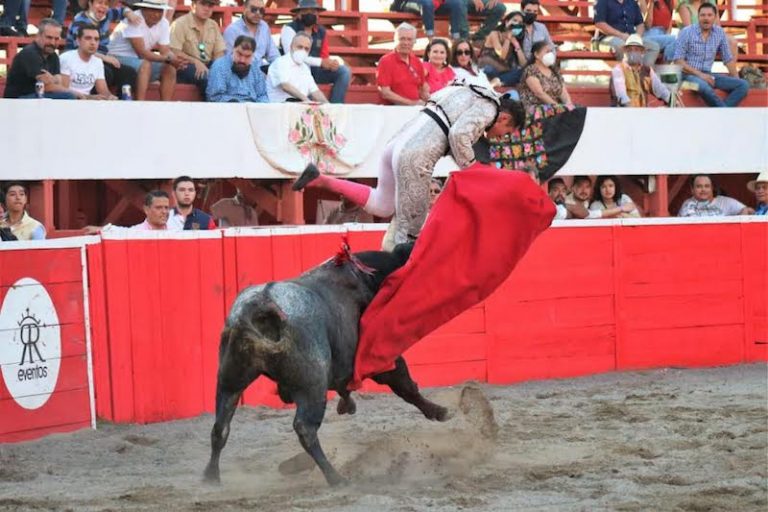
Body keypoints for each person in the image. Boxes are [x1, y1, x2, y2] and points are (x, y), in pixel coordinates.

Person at [293, 86, 523, 245]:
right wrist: (473, 171)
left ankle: (321, 179)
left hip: (397, 143)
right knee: (410, 230)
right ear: (504, 119)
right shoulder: (489, 107)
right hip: (415, 155)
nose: (500, 137)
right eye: (506, 133)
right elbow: (458, 134)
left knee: (382, 206)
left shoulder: (466, 89)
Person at [673, 2, 748, 107]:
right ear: (698, 17)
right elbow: (678, 61)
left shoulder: (719, 33)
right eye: (703, 15)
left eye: (709, 15)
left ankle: (720, 113)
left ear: (715, 17)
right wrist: (701, 75)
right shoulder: (686, 32)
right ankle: (722, 115)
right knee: (702, 86)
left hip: (708, 75)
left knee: (743, 85)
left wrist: (736, 77)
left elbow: (728, 59)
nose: (706, 18)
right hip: (686, 79)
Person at [108, 0, 186, 101]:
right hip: (116, 58)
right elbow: (142, 53)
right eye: (153, 10)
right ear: (143, 9)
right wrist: (167, 59)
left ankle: (167, 105)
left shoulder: (164, 23)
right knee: (145, 64)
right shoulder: (135, 19)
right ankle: (140, 103)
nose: (157, 14)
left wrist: (175, 60)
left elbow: (165, 51)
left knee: (170, 68)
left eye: (160, 11)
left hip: (138, 60)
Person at [279, 0, 350, 104]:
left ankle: (336, 106)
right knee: (305, 75)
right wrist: (320, 62)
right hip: (294, 71)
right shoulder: (289, 29)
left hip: (316, 71)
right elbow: (292, 56)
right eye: (306, 11)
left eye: (313, 11)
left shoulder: (321, 31)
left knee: (344, 71)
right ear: (298, 14)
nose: (310, 14)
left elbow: (324, 57)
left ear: (317, 15)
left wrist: (330, 64)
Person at [66, 0, 139, 94]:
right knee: (106, 73)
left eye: (106, 4)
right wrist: (106, 58)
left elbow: (123, 10)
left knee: (129, 73)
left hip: (100, 59)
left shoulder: (107, 15)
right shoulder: (80, 21)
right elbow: (81, 49)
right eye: (100, 3)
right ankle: (95, 101)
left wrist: (129, 14)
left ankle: (122, 103)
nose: (103, 6)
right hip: (79, 59)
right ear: (90, 3)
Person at [3, 18, 77, 99]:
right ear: (38, 36)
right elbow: (47, 86)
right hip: (17, 100)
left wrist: (53, 79)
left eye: (56, 39)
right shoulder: (30, 53)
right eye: (49, 38)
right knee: (68, 97)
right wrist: (78, 95)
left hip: (37, 96)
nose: (52, 42)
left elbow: (59, 82)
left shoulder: (53, 56)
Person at [170, 0, 226, 96]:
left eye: (210, 5)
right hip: (184, 66)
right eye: (203, 4)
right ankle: (213, 106)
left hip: (207, 65)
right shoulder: (179, 24)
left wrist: (216, 69)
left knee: (225, 73)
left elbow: (219, 53)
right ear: (193, 5)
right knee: (205, 77)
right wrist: (196, 62)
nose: (207, 8)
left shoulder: (213, 25)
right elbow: (174, 52)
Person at [610, 33, 675, 107]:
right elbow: (621, 95)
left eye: (636, 50)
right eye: (630, 49)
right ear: (625, 52)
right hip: (623, 113)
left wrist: (671, 99)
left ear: (642, 52)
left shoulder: (647, 70)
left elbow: (660, 88)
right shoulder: (618, 69)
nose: (633, 52)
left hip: (641, 112)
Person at [594, 0, 661, 66]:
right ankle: (628, 73)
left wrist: (637, 37)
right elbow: (600, 24)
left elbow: (640, 24)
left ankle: (643, 73)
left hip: (630, 38)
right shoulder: (602, 1)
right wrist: (620, 35)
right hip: (607, 38)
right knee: (621, 45)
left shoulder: (632, 2)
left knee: (654, 47)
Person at [377, 23, 430, 106]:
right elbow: (385, 93)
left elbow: (422, 88)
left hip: (414, 111)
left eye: (409, 39)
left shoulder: (416, 61)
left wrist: (429, 98)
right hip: (393, 110)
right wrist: (412, 104)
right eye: (402, 39)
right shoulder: (386, 61)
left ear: (414, 41)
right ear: (395, 40)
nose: (405, 43)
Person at [60, 24, 118, 99]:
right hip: (68, 103)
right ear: (78, 41)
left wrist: (110, 97)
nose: (93, 43)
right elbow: (64, 92)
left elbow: (103, 91)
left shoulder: (97, 62)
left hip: (87, 103)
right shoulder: (66, 58)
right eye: (88, 38)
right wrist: (89, 97)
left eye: (96, 39)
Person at [267, 31, 327, 103]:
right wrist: (306, 100)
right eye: (300, 47)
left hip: (298, 107)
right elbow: (285, 86)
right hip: (280, 107)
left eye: (306, 49)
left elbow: (315, 91)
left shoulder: (305, 68)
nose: (303, 51)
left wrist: (329, 106)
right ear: (291, 46)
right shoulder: (280, 62)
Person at [207, 35, 269, 103]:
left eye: (247, 56)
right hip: (228, 109)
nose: (242, 60)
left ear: (253, 55)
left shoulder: (255, 69)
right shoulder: (220, 66)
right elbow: (215, 97)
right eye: (239, 54)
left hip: (252, 110)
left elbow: (263, 95)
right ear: (233, 49)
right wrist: (240, 105)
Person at [84, 190, 175, 233]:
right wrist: (100, 229)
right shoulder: (138, 232)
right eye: (159, 208)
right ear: (146, 210)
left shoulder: (175, 231)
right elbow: (119, 231)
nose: (164, 211)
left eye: (166, 208)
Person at [223, 0, 279, 67]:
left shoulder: (264, 27)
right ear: (244, 9)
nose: (258, 13)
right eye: (254, 9)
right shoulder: (232, 30)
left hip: (261, 70)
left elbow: (273, 55)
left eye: (261, 10)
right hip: (241, 71)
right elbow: (229, 60)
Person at [517, 41, 573, 108]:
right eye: (547, 52)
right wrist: (558, 107)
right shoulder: (531, 70)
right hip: (536, 109)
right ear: (536, 55)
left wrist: (569, 106)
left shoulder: (554, 71)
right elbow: (539, 93)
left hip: (555, 108)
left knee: (579, 110)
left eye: (551, 51)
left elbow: (563, 93)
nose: (550, 54)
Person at [479, 11, 526, 87]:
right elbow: (502, 56)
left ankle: (498, 82)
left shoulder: (516, 39)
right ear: (507, 22)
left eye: (520, 22)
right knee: (489, 69)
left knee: (522, 72)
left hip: (503, 71)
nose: (517, 24)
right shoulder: (494, 34)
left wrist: (517, 45)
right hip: (488, 68)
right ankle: (500, 81)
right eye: (514, 20)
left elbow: (523, 64)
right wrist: (508, 38)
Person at [678, 174, 753, 216]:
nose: (703, 189)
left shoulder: (725, 202)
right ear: (692, 190)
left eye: (707, 186)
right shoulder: (687, 204)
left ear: (712, 188)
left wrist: (743, 215)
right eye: (699, 186)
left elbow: (750, 211)